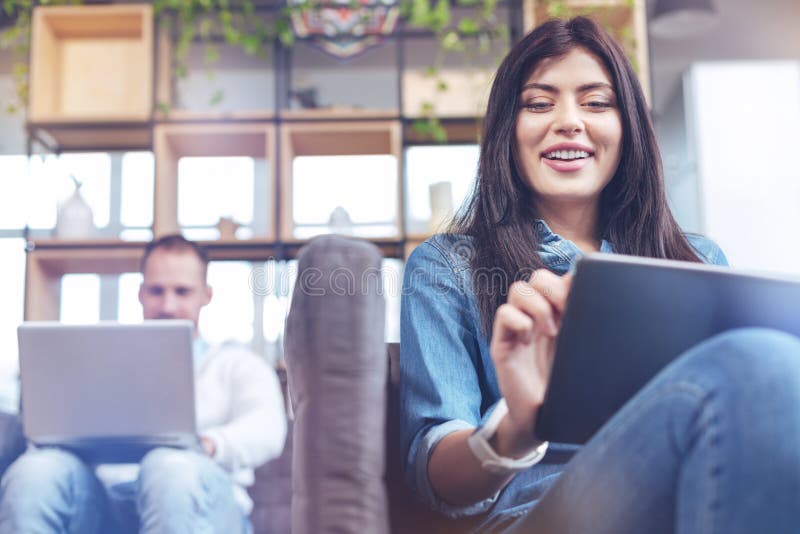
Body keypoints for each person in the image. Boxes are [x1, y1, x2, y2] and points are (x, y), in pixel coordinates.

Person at [400, 16, 800, 534]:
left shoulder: (698, 257)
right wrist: (516, 429)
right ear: (507, 130)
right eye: (539, 103)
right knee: (760, 362)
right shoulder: (447, 265)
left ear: (627, 126)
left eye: (596, 102)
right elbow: (436, 476)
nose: (569, 121)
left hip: (699, 503)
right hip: (537, 514)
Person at [0, 234, 287, 533]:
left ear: (206, 295)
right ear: (140, 293)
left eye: (182, 291)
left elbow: (267, 429)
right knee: (35, 471)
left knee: (169, 466)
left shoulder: (237, 365)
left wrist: (208, 444)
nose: (168, 305)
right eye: (156, 291)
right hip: (106, 505)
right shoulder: (97, 365)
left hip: (199, 504)